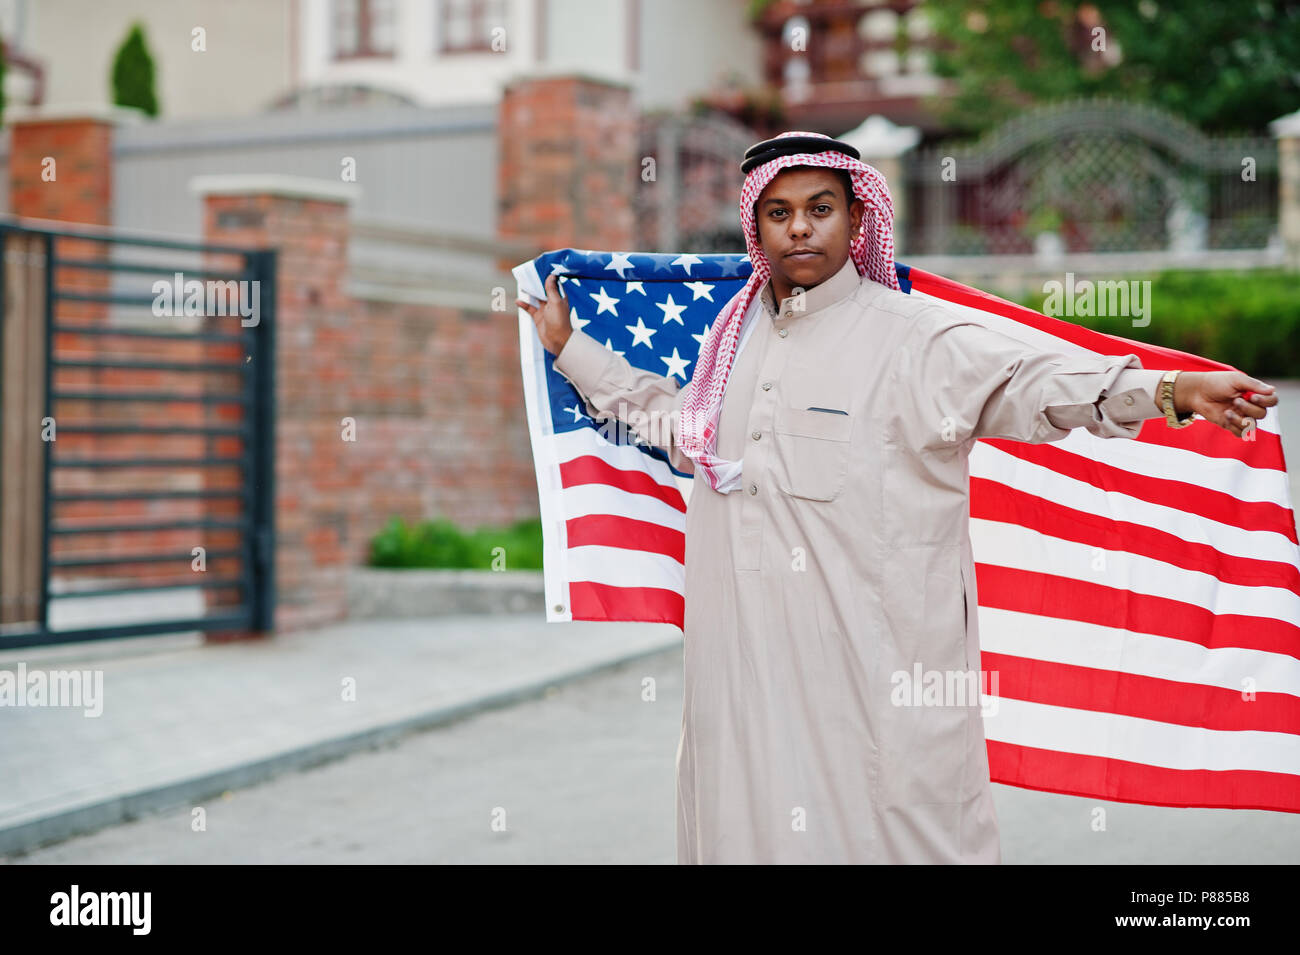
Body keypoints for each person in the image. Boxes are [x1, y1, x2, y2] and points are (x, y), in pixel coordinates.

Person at [516, 131, 1278, 864]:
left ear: (857, 218)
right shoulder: (734, 342)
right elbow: (682, 432)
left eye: (821, 207)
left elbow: (1036, 382)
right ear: (756, 226)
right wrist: (570, 349)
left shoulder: (916, 339)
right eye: (778, 214)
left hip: (872, 699)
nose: (801, 228)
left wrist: (1168, 388)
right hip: (741, 693)